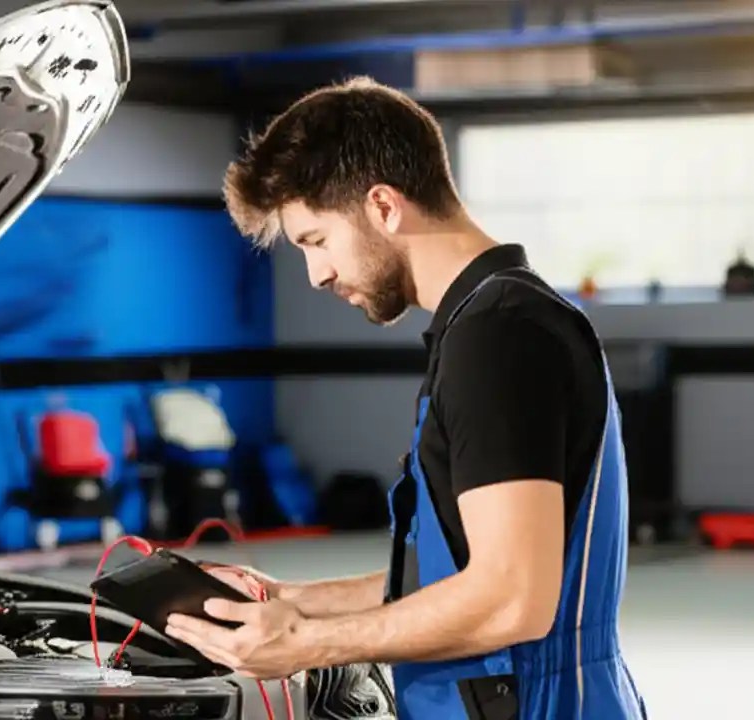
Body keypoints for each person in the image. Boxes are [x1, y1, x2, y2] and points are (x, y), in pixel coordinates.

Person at [164, 76, 647, 720]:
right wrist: (290, 599)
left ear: (384, 206)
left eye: (317, 241)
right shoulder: (487, 322)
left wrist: (307, 644)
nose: (317, 274)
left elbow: (512, 597)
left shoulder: (499, 333)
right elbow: (452, 578)